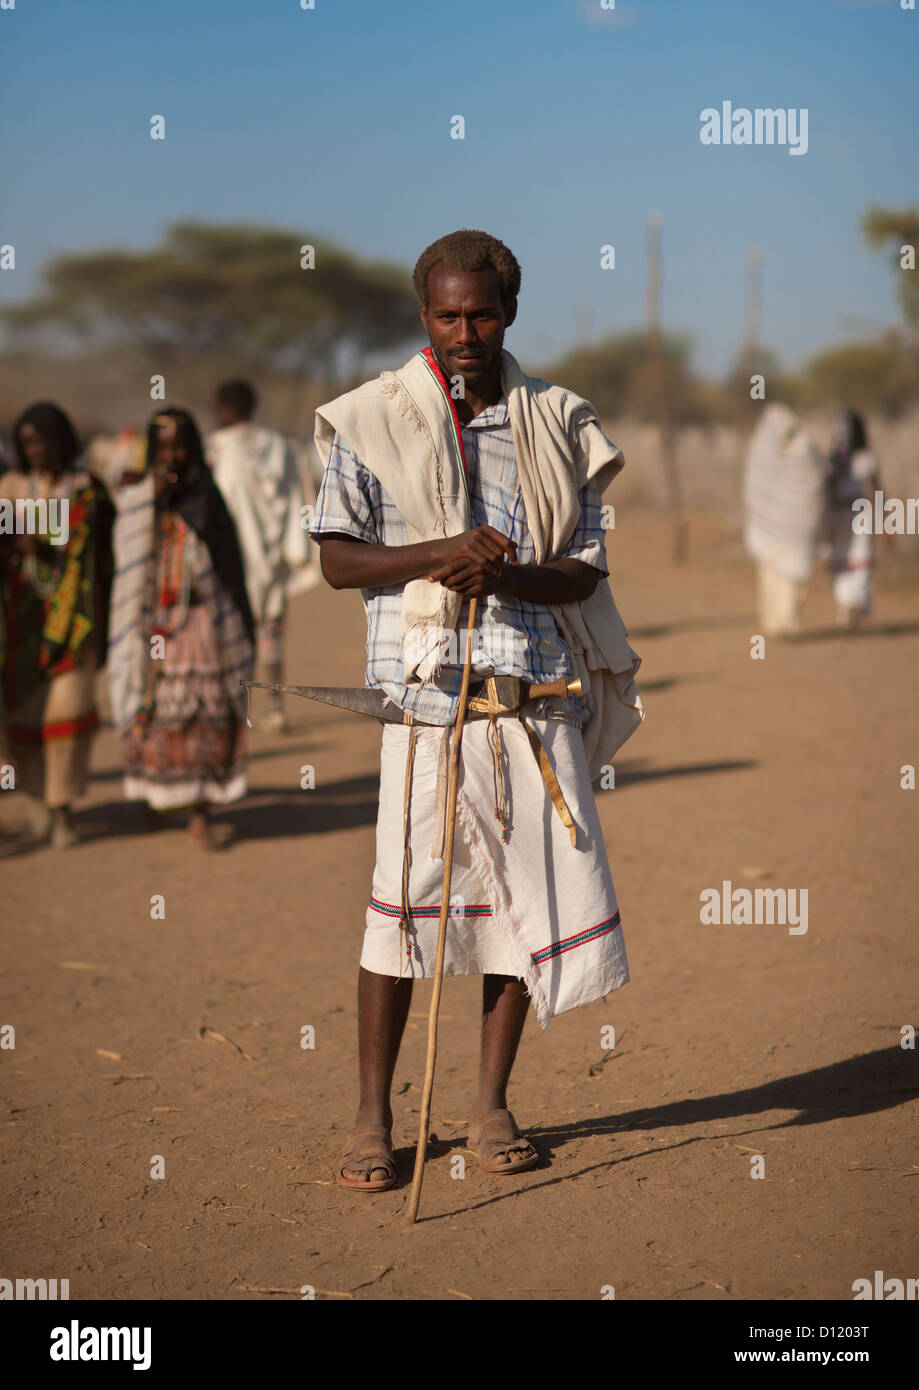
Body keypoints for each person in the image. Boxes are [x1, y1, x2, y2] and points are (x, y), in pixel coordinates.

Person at [309, 229, 643, 1191]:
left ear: (509, 312)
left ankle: (490, 1104)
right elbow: (337, 560)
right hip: (425, 708)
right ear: (424, 315)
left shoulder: (558, 420)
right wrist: (438, 553)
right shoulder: (369, 419)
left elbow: (581, 575)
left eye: (482, 313)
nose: (465, 331)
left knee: (520, 913)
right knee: (401, 915)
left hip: (532, 706)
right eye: (447, 314)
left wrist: (504, 570)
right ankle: (372, 1122)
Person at [107, 408, 255, 849]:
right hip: (151, 631)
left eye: (179, 446)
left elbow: (230, 569)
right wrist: (148, 501)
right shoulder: (136, 501)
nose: (171, 455)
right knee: (151, 712)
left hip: (200, 627)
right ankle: (155, 797)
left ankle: (198, 810)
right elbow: (128, 563)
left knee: (204, 714)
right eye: (163, 447)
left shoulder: (207, 499)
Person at [0, 402, 114, 848]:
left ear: (60, 441)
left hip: (76, 627)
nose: (33, 451)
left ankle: (63, 811)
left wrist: (37, 533)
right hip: (22, 627)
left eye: (40, 441)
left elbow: (104, 554)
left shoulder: (88, 489)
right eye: (26, 443)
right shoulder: (8, 487)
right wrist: (15, 540)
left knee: (65, 717)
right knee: (27, 717)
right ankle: (36, 804)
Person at [206, 380, 311, 732]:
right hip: (272, 557)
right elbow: (296, 494)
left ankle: (237, 706)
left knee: (236, 635)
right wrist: (294, 547)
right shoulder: (279, 446)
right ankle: (275, 708)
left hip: (235, 561)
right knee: (272, 635)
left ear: (227, 409)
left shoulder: (220, 448)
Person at [743, 402, 828, 637]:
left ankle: (782, 623)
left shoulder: (784, 445)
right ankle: (782, 623)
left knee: (778, 578)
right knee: (784, 579)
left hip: (781, 528)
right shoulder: (774, 447)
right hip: (780, 528)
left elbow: (810, 482)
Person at [826, 410, 879, 629]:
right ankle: (850, 603)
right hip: (846, 513)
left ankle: (853, 602)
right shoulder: (835, 461)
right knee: (847, 557)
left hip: (854, 512)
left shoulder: (864, 459)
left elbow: (877, 489)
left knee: (854, 557)